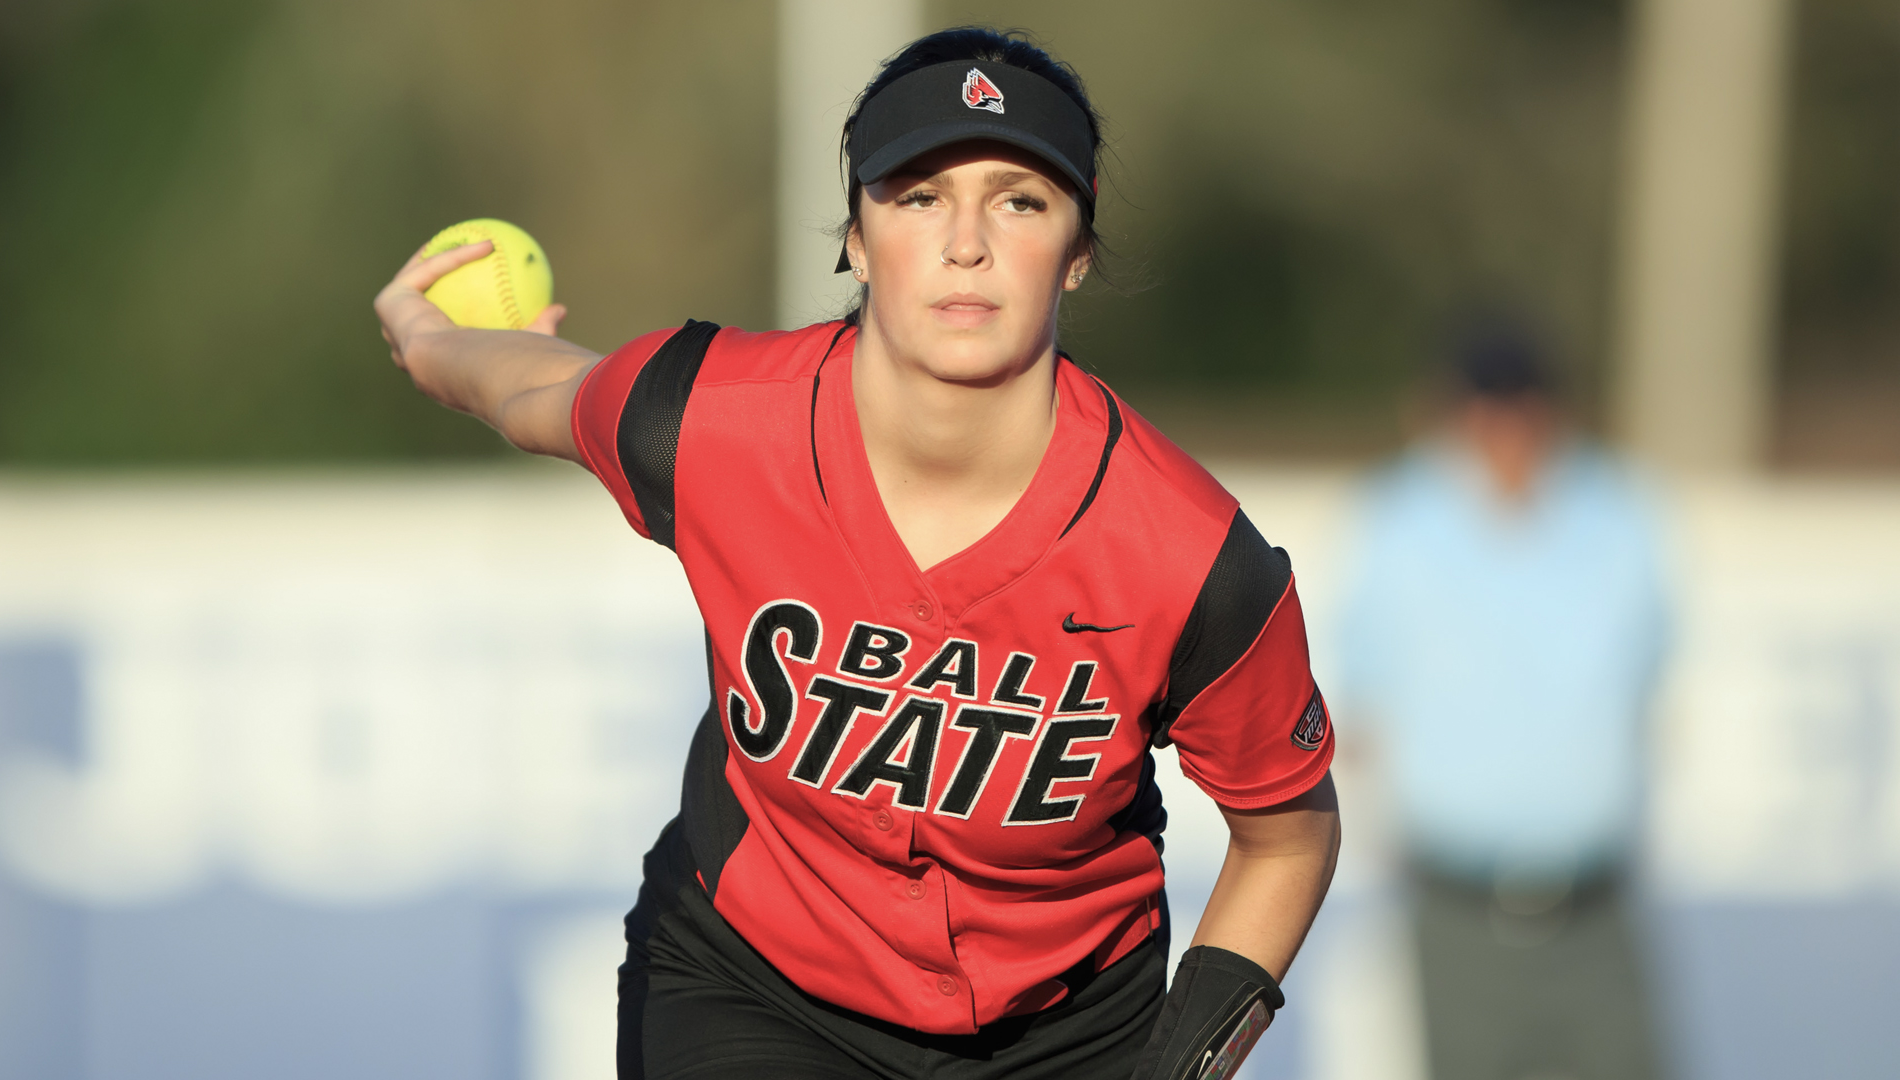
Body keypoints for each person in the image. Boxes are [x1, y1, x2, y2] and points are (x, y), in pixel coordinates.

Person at [374, 28, 1339, 1080]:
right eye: (918, 196)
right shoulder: (707, 421)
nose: (965, 242)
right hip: (750, 986)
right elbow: (535, 389)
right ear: (856, 234)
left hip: (1066, 1032)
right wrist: (428, 344)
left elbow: (1287, 835)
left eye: (1019, 199)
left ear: (1079, 246)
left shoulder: (1192, 555)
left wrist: (1185, 1064)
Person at [1339, 318, 1670, 1080]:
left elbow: (1649, 676)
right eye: (1486, 406)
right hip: (1460, 909)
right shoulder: (1399, 523)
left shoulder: (1619, 514)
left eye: (1521, 404)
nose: (1505, 429)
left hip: (1598, 904)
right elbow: (1360, 702)